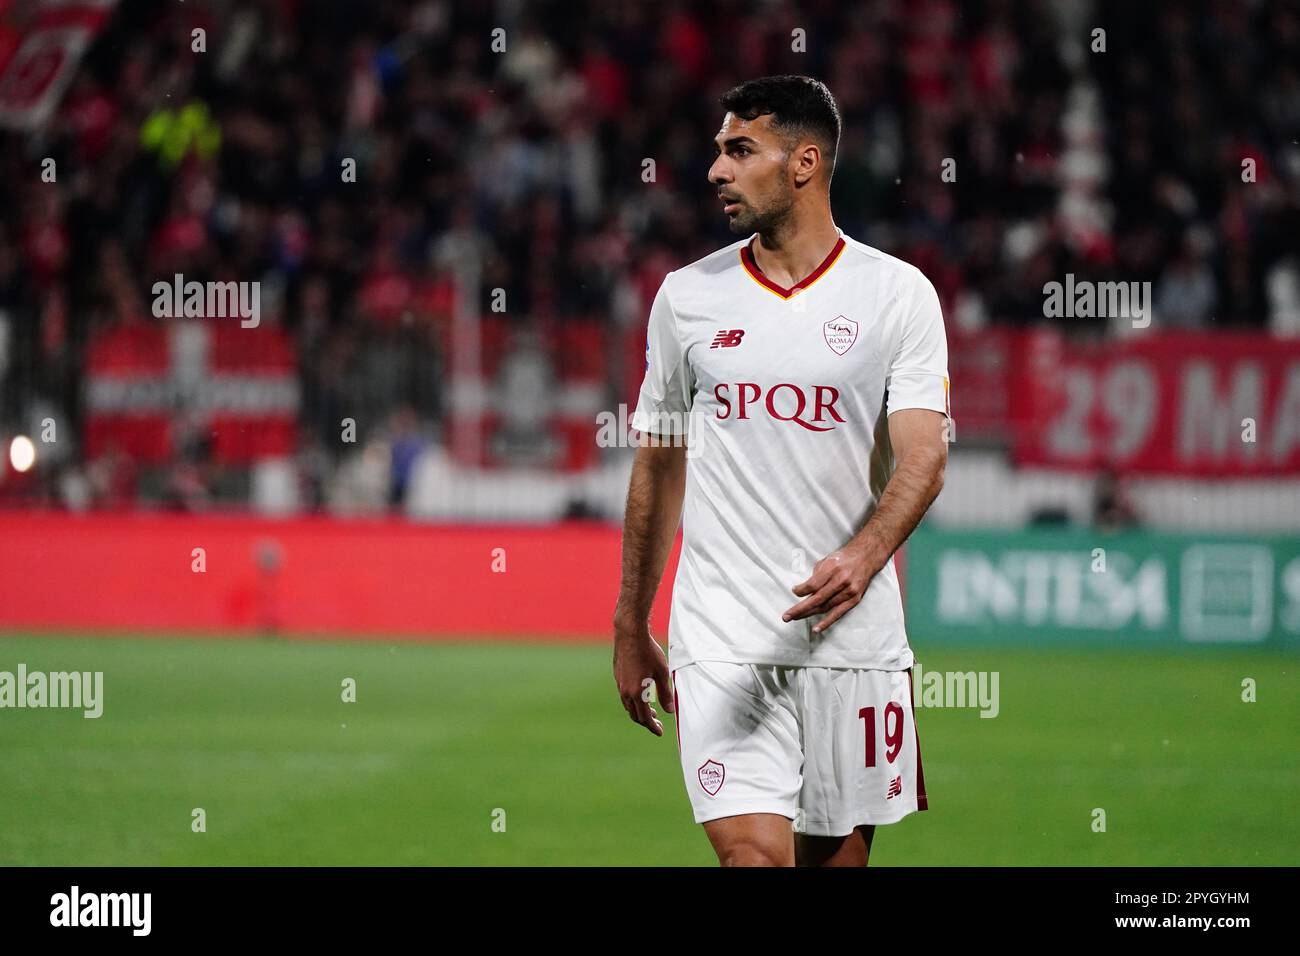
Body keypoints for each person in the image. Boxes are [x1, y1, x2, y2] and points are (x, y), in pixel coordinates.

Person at [612, 75, 952, 867]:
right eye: (718, 151)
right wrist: (632, 623)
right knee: (753, 860)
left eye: (740, 150)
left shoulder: (898, 296)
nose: (715, 170)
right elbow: (659, 466)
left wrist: (863, 559)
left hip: (851, 639)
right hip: (721, 634)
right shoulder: (685, 298)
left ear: (804, 163)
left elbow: (924, 456)